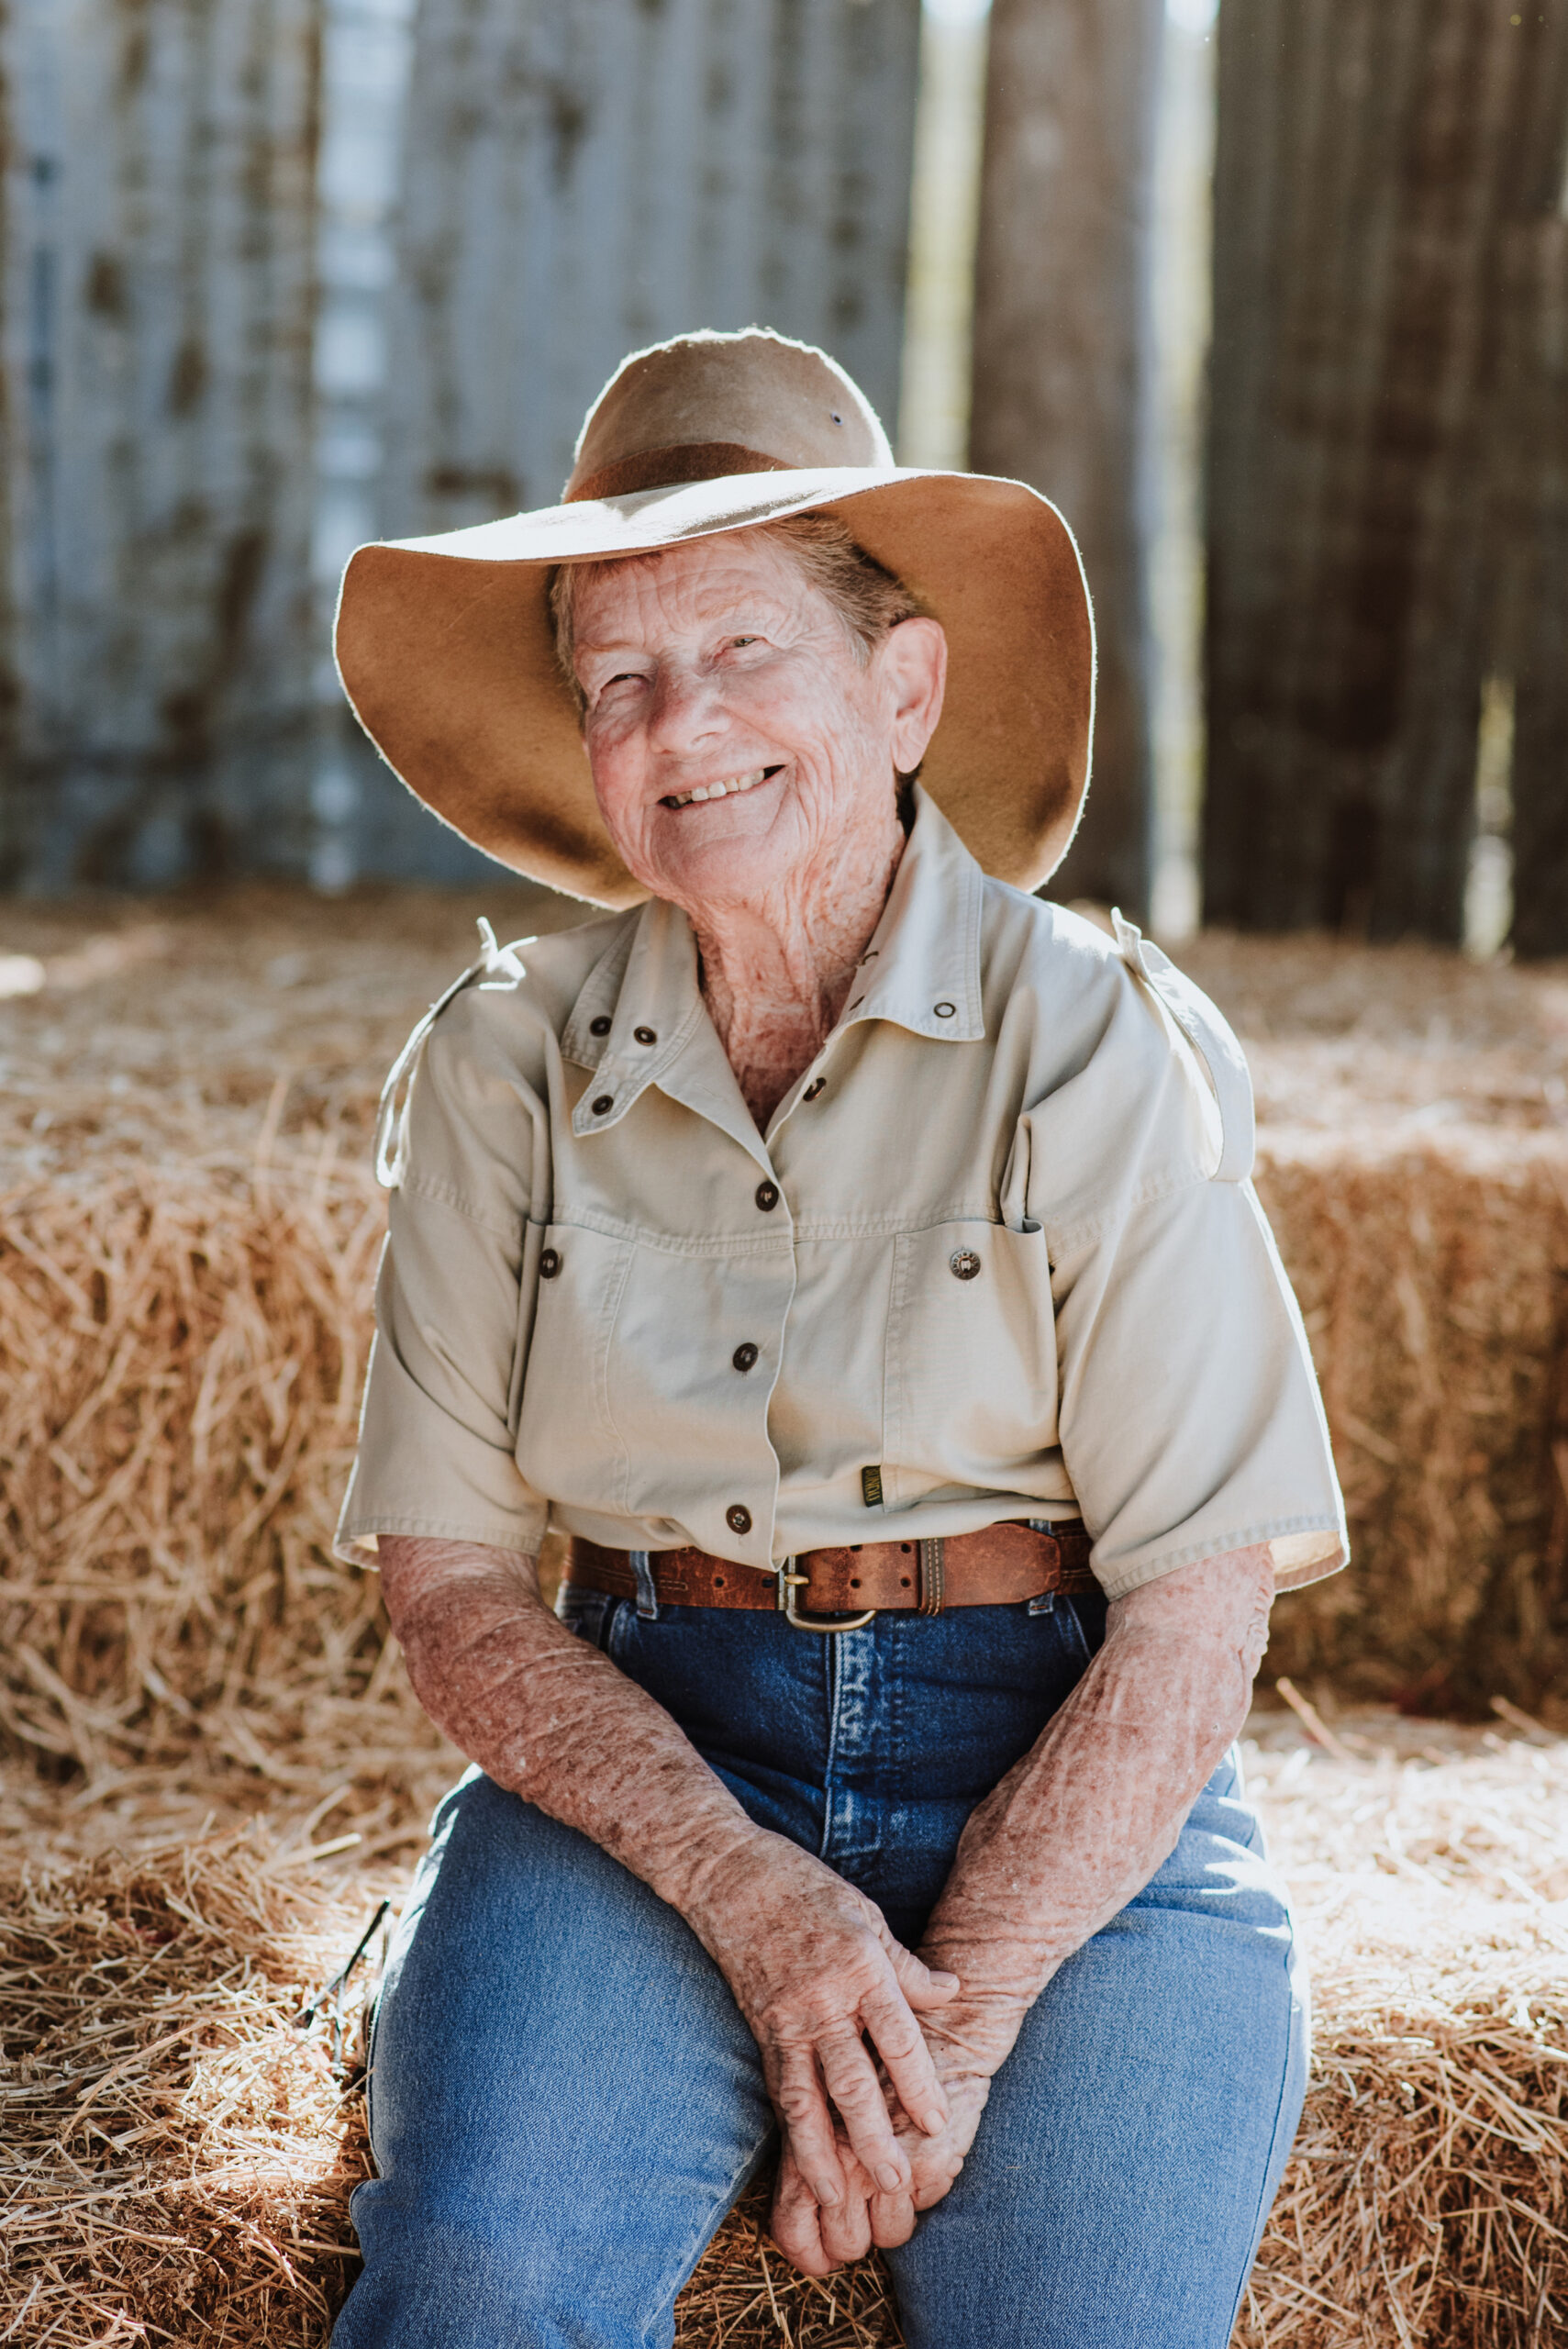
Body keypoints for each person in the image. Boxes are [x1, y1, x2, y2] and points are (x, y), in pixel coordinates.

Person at [328, 328, 1347, 2349]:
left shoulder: (1097, 1035)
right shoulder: (501, 1062)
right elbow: (450, 1590)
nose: (677, 721)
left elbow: (1197, 1615)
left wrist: (953, 2026)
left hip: (1057, 1753)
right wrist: (758, 1897)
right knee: (474, 2292)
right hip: (648, 1762)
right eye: (619, 677)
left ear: (904, 689)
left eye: (741, 648)